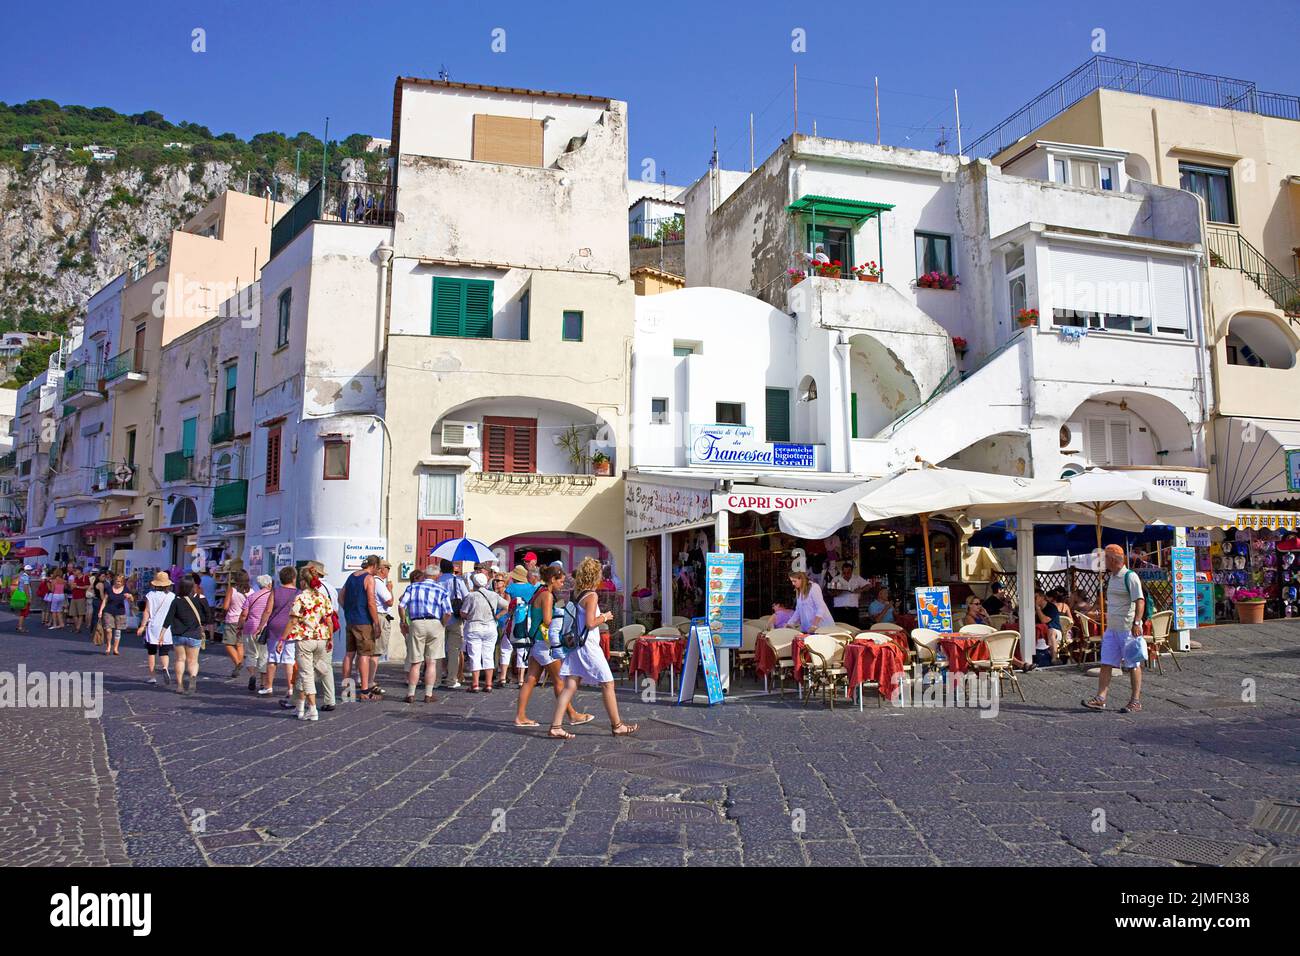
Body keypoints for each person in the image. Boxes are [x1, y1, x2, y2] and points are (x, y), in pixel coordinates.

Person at [547, 558, 637, 740]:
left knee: (570, 685)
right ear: (596, 575)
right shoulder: (592, 596)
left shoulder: (577, 593)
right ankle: (617, 725)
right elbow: (590, 623)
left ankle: (556, 726)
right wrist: (604, 617)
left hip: (576, 646)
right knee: (608, 683)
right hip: (587, 647)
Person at [514, 567, 594, 728]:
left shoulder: (539, 592)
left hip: (536, 641)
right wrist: (562, 615)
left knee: (531, 679)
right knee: (560, 680)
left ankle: (520, 716)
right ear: (552, 579)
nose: (562, 584)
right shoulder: (547, 596)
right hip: (545, 644)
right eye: (561, 581)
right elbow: (548, 620)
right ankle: (572, 715)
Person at [1083, 544, 1146, 714]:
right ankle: (1100, 698)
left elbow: (1140, 600)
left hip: (1127, 628)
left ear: (1112, 559)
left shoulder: (1130, 577)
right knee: (1106, 663)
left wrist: (1137, 623)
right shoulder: (1111, 577)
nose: (1103, 562)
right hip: (1112, 628)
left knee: (1133, 664)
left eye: (1105, 559)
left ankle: (1135, 701)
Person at [285, 566, 336, 721]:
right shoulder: (323, 598)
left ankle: (312, 709)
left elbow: (294, 620)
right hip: (321, 638)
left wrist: (283, 638)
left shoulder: (301, 598)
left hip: (305, 639)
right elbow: (329, 620)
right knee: (304, 672)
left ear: (302, 581)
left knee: (306, 674)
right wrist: (330, 639)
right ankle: (300, 707)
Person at [398, 568, 452, 703]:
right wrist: (443, 624)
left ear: (425, 574)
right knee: (432, 662)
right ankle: (428, 694)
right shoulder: (441, 590)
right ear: (437, 575)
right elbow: (448, 612)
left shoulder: (412, 587)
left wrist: (403, 621)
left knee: (416, 662)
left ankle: (410, 694)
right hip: (435, 623)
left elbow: (401, 606)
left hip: (416, 623)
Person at [341, 554, 384, 700]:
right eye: (378, 568)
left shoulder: (351, 576)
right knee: (365, 654)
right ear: (374, 566)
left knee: (349, 654)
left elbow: (341, 597)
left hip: (350, 619)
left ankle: (346, 689)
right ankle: (365, 691)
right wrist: (376, 623)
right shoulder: (369, 578)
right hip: (363, 621)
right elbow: (371, 602)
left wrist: (348, 609)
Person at [460, 572, 507, 692]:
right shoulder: (493, 595)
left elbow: (463, 613)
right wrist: (497, 616)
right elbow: (507, 606)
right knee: (488, 655)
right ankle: (488, 684)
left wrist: (467, 616)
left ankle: (475, 684)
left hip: (474, 627)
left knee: (474, 655)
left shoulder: (471, 596)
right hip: (490, 627)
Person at [163, 577, 210, 695]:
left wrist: (161, 634)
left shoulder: (176, 601)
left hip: (178, 634)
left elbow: (168, 618)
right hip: (194, 634)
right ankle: (192, 678)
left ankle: (179, 686)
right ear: (192, 587)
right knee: (193, 661)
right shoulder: (199, 600)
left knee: (180, 659)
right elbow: (208, 617)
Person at [261, 566, 299, 705]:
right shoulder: (298, 593)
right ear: (294, 578)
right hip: (291, 628)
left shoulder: (275, 591)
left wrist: (261, 626)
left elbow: (268, 610)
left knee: (272, 658)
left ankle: (268, 686)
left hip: (275, 627)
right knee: (289, 659)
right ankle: (290, 688)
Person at [136, 571, 175, 685]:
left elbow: (146, 612)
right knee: (164, 652)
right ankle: (165, 667)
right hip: (166, 627)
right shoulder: (172, 596)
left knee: (151, 652)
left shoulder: (150, 595)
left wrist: (142, 626)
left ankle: (152, 676)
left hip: (153, 626)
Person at [499, 566, 536, 686]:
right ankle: (521, 679)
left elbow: (507, 606)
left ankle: (503, 677)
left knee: (506, 648)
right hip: (527, 621)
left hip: (512, 620)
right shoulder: (532, 588)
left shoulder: (510, 588)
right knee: (523, 649)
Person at [240, 574, 275, 693]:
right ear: (269, 584)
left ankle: (252, 675)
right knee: (263, 655)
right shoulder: (273, 596)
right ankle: (262, 682)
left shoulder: (251, 596)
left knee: (251, 654)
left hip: (250, 627)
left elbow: (244, 614)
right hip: (265, 629)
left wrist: (240, 626)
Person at [438, 560, 469, 690]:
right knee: (454, 650)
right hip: (455, 617)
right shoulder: (458, 581)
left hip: (439, 617)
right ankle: (451, 679)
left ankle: (436, 678)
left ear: (441, 569)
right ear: (452, 569)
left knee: (438, 650)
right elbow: (467, 596)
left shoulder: (437, 581)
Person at [221, 570, 251, 679]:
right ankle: (238, 664)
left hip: (232, 619)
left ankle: (238, 663)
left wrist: (223, 614)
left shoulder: (232, 590)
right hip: (245, 620)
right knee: (240, 644)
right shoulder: (251, 591)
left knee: (228, 643)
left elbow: (225, 607)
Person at [98, 574, 133, 656]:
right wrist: (100, 611)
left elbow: (131, 601)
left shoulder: (125, 589)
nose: (118, 583)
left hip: (120, 612)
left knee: (118, 631)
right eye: (117, 581)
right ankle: (109, 645)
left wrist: (130, 596)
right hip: (108, 611)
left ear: (123, 582)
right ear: (114, 581)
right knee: (108, 630)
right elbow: (105, 600)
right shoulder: (109, 589)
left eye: (120, 582)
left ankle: (116, 648)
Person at [826, 560, 868, 626]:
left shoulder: (857, 578)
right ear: (842, 571)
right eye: (844, 572)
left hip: (853, 609)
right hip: (839, 609)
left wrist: (861, 590)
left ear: (852, 571)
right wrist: (838, 592)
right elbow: (830, 592)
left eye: (848, 572)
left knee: (854, 629)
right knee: (840, 629)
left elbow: (868, 585)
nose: (846, 574)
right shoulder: (836, 579)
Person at [373, 560, 395, 662]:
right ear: (382, 570)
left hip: (377, 615)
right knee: (376, 652)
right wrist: (390, 589)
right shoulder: (378, 582)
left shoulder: (374, 581)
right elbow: (389, 602)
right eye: (388, 569)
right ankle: (370, 678)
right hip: (381, 616)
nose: (388, 571)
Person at [1034, 590, 1062, 664]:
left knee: (1051, 631)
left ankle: (1054, 658)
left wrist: (1038, 609)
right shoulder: (1032, 608)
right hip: (1041, 632)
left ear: (1042, 597)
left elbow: (1044, 620)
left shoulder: (1051, 607)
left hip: (1055, 631)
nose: (1034, 599)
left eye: (1036, 597)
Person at [9, 565, 32, 633]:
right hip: (24, 597)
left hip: (22, 596)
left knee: (23, 612)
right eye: (28, 570)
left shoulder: (22, 576)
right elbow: (26, 588)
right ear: (25, 570)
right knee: (24, 613)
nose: (29, 571)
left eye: (30, 570)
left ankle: (19, 626)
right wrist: (28, 598)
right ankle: (20, 627)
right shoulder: (26, 578)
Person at [69, 567, 89, 632]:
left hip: (81, 597)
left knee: (80, 613)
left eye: (76, 570)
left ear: (80, 571)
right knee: (73, 613)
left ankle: (77, 628)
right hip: (74, 596)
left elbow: (87, 586)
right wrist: (71, 585)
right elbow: (72, 588)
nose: (74, 572)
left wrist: (77, 586)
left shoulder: (85, 577)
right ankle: (77, 626)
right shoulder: (75, 578)